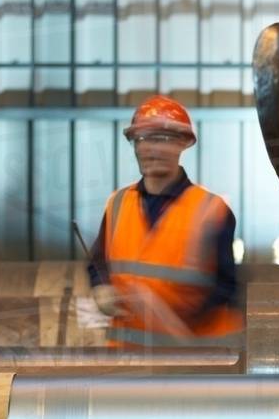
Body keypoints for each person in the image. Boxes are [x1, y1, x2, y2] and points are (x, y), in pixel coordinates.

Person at [86, 95, 241, 341]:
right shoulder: (117, 204)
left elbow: (225, 286)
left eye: (162, 139)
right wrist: (101, 288)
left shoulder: (211, 209)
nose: (150, 148)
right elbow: (97, 262)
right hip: (127, 360)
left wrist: (166, 319)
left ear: (182, 143)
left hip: (191, 358)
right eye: (142, 139)